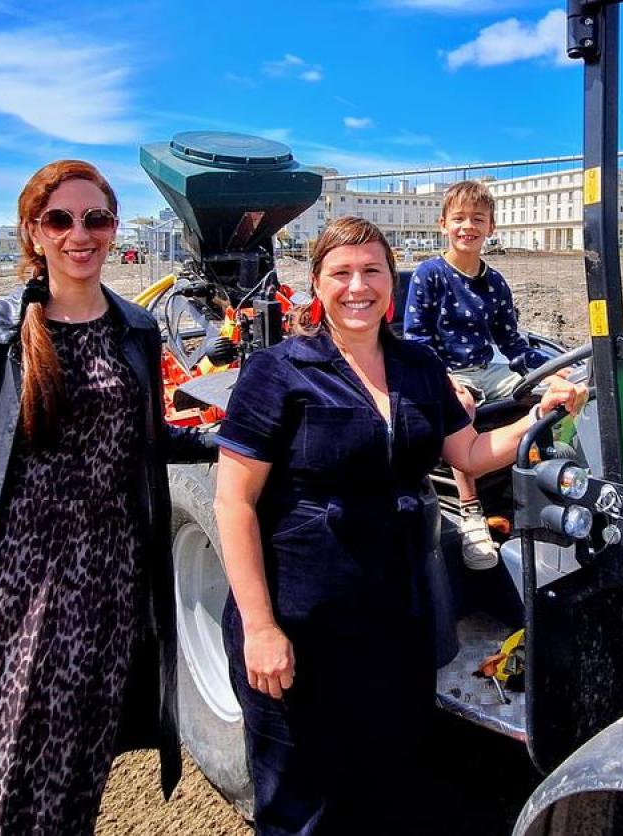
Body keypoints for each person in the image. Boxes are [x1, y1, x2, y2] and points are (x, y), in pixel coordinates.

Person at [214, 217, 587, 835]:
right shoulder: (279, 372)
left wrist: (536, 417)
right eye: (342, 273)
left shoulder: (416, 366)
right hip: (302, 623)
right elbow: (233, 504)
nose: (357, 286)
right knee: (300, 806)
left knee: (385, 786)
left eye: (372, 271)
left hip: (394, 618)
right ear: (317, 284)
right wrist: (260, 628)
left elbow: (466, 453)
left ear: (393, 282)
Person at [0, 160, 218, 836]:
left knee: (78, 774)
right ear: (34, 232)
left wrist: (231, 439)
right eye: (61, 220)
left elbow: (139, 438)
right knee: (5, 777)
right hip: (18, 594)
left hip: (110, 588)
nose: (80, 233)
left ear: (113, 230)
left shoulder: (135, 329)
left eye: (96, 219)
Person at [403, 180, 551, 570]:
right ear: (443, 225)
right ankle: (470, 510)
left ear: (491, 228)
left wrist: (551, 369)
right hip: (446, 372)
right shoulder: (429, 274)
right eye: (460, 218)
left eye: (478, 219)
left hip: (487, 369)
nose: (468, 226)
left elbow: (512, 342)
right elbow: (417, 342)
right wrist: (443, 379)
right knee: (463, 405)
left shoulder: (495, 282)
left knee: (549, 392)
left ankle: (541, 475)